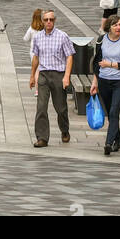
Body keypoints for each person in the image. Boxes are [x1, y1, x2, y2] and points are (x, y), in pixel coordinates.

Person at [90, 14, 120, 156]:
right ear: (109, 27)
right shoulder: (101, 40)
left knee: (114, 112)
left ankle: (108, 143)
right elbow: (96, 64)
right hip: (104, 81)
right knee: (111, 113)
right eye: (115, 25)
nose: (118, 27)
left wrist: (111, 64)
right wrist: (94, 82)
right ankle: (118, 141)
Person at [29, 10, 73, 147]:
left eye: (51, 20)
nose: (49, 22)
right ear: (42, 21)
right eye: (46, 20)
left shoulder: (62, 36)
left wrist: (66, 76)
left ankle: (64, 130)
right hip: (43, 74)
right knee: (41, 107)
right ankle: (42, 137)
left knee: (61, 108)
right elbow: (36, 57)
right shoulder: (37, 37)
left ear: (55, 21)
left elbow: (70, 56)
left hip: (58, 74)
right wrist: (32, 76)